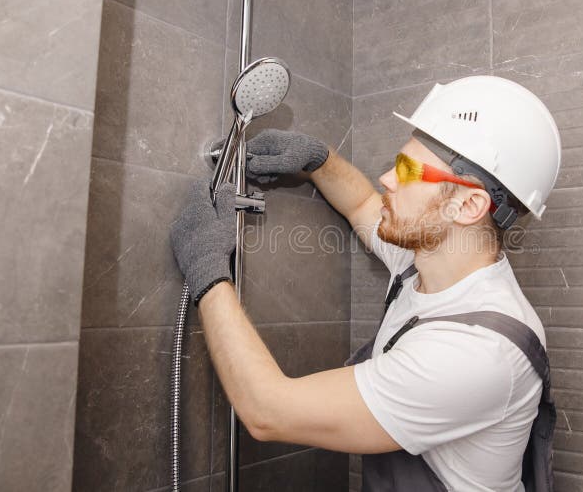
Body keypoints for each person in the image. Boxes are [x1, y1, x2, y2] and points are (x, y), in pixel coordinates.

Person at [171, 75, 561, 491]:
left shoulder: (478, 352)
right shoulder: (430, 258)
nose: (387, 178)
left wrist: (208, 269)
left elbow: (268, 411)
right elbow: (362, 204)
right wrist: (320, 160)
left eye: (408, 170)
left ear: (467, 205)